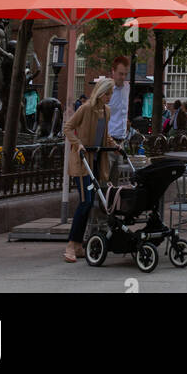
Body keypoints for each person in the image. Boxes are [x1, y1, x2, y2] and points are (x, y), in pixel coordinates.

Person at [63, 77, 117, 262]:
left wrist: (115, 145)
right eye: (108, 93)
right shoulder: (85, 108)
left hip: (95, 162)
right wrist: (78, 144)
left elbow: (105, 135)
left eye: (111, 94)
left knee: (89, 202)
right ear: (101, 93)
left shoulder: (106, 111)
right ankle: (71, 245)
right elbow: (68, 127)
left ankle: (78, 244)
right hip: (82, 162)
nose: (110, 97)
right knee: (85, 202)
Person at [107, 56, 130, 143]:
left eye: (125, 74)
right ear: (113, 71)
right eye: (121, 73)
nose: (123, 77)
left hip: (122, 140)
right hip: (108, 140)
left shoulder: (127, 87)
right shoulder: (106, 89)